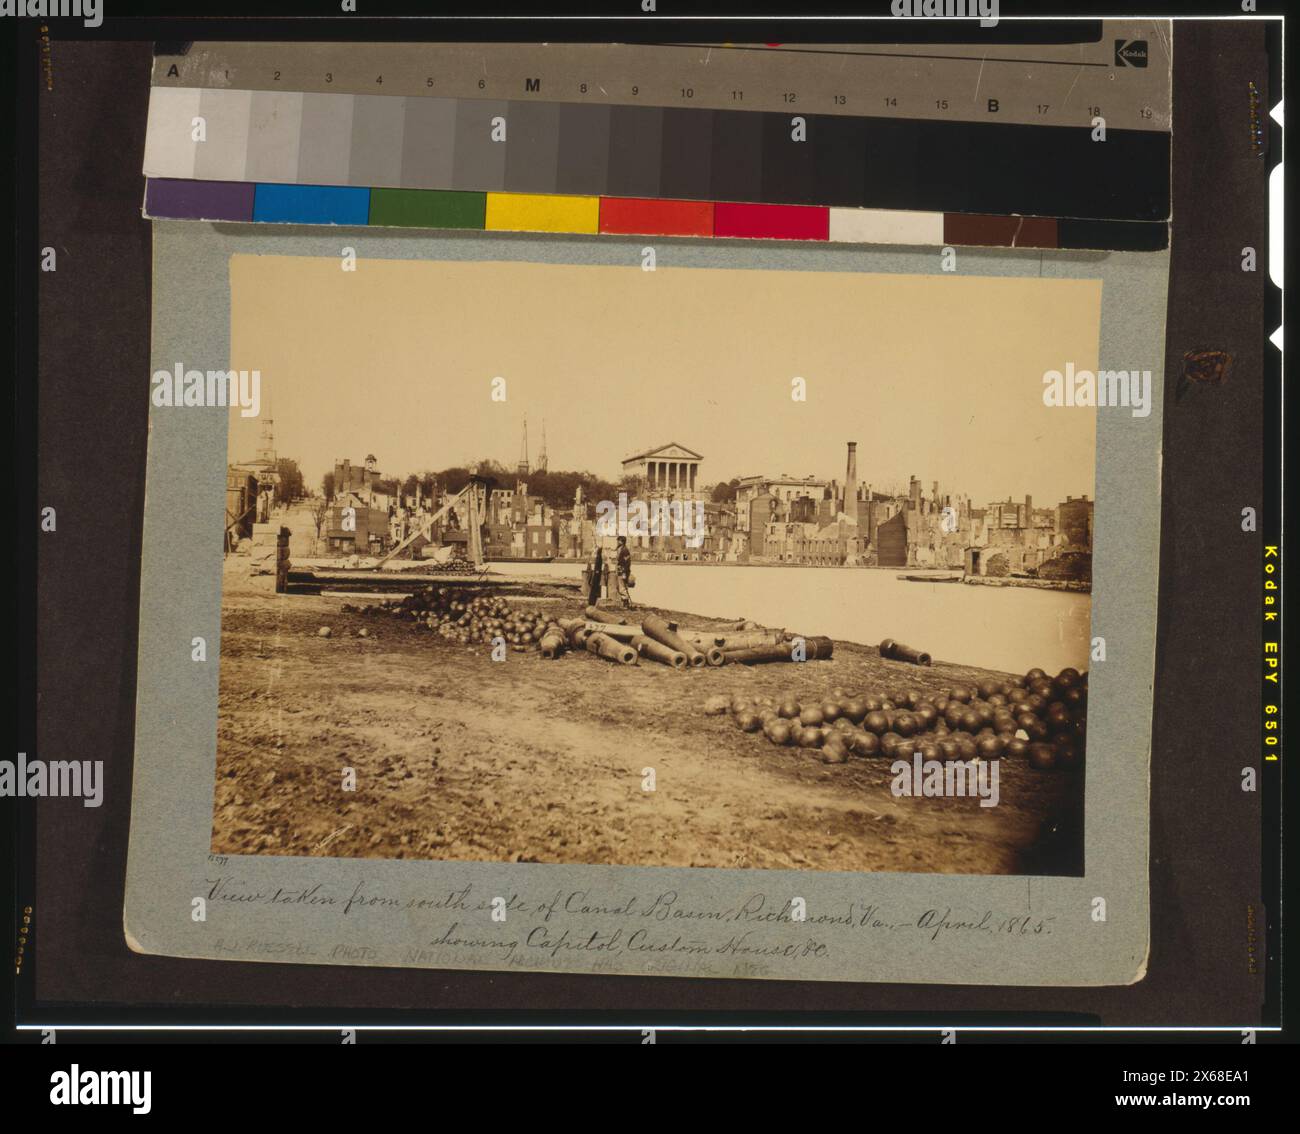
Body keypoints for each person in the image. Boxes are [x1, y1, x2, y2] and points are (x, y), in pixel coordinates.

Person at [614, 535, 633, 608]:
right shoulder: (620, 549)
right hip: (619, 570)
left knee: (622, 587)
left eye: (619, 541)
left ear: (622, 542)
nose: (617, 542)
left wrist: (624, 572)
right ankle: (624, 602)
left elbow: (627, 563)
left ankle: (626, 603)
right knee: (619, 586)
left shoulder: (625, 550)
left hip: (623, 571)